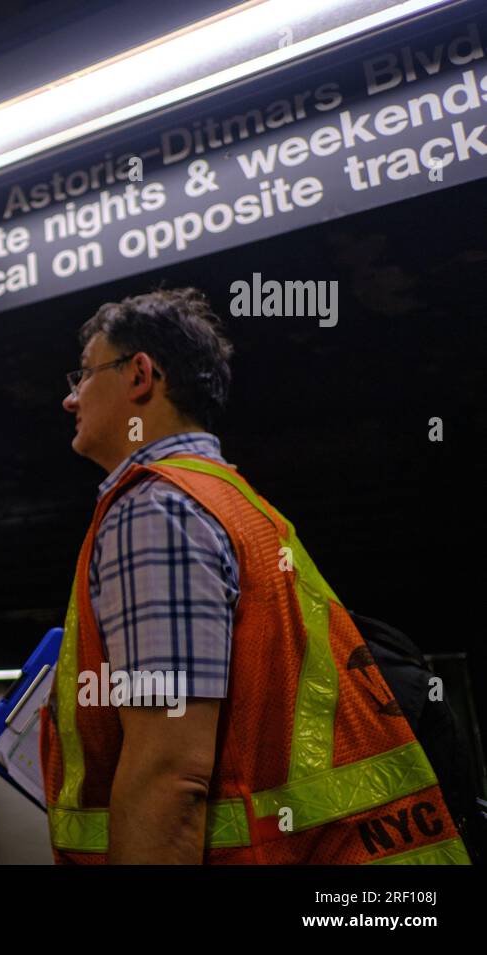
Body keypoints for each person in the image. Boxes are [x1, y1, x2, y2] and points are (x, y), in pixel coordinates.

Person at [40, 287, 469, 864]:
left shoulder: (157, 508)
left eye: (84, 375)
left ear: (140, 374)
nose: (71, 399)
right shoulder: (238, 503)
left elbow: (169, 774)